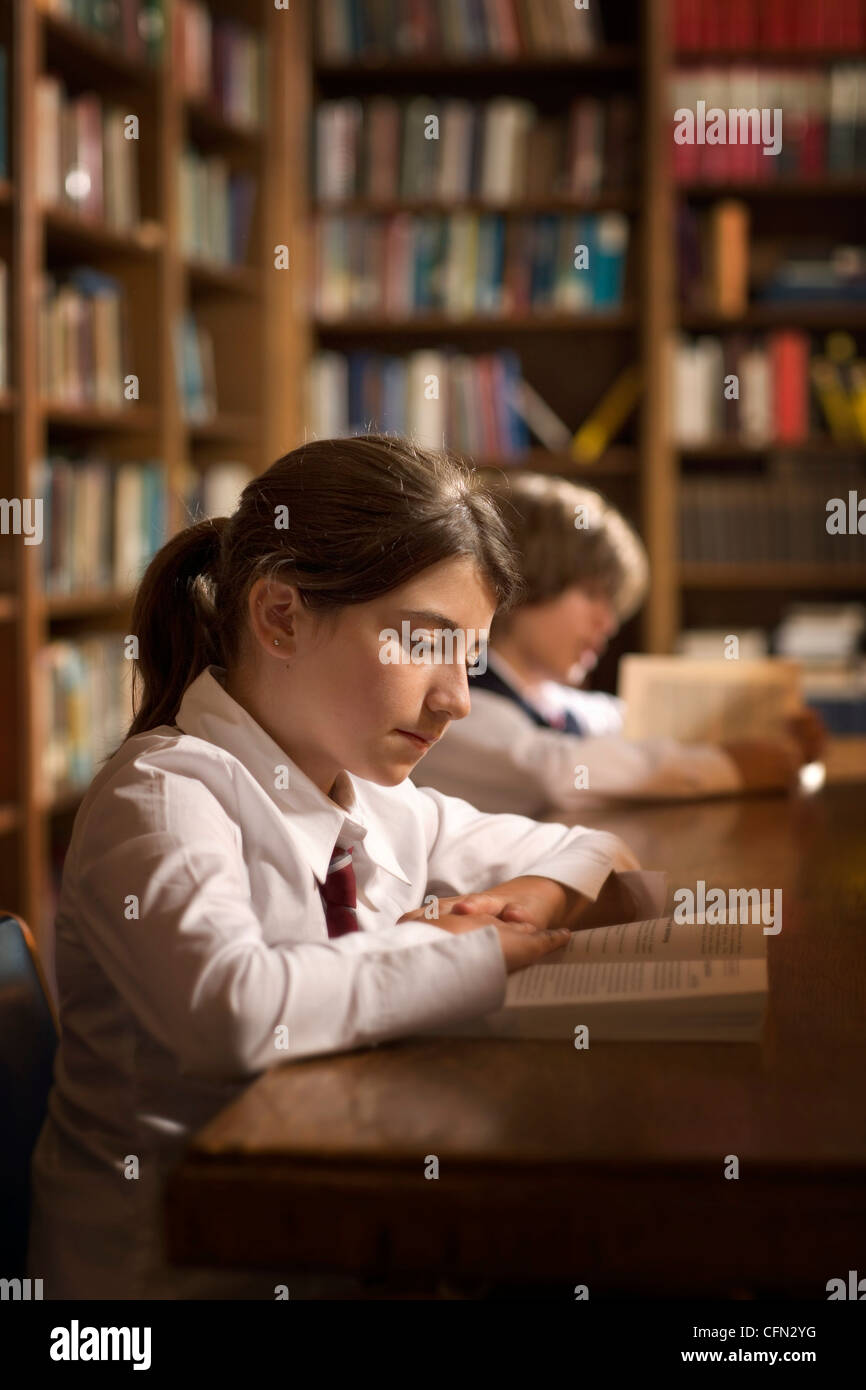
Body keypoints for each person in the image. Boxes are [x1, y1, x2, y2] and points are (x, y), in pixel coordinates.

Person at [27, 436, 653, 1301]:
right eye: (423, 644)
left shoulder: (371, 794)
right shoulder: (164, 798)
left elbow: (601, 852)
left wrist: (511, 905)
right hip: (167, 1283)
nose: (457, 698)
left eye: (468, 656)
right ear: (280, 615)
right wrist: (466, 950)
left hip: (315, 1238)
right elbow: (234, 1013)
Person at [412, 469, 825, 818]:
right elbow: (556, 771)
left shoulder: (559, 704)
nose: (607, 623)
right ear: (522, 582)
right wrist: (735, 765)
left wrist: (772, 732)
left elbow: (635, 726)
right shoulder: (459, 703)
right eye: (591, 594)